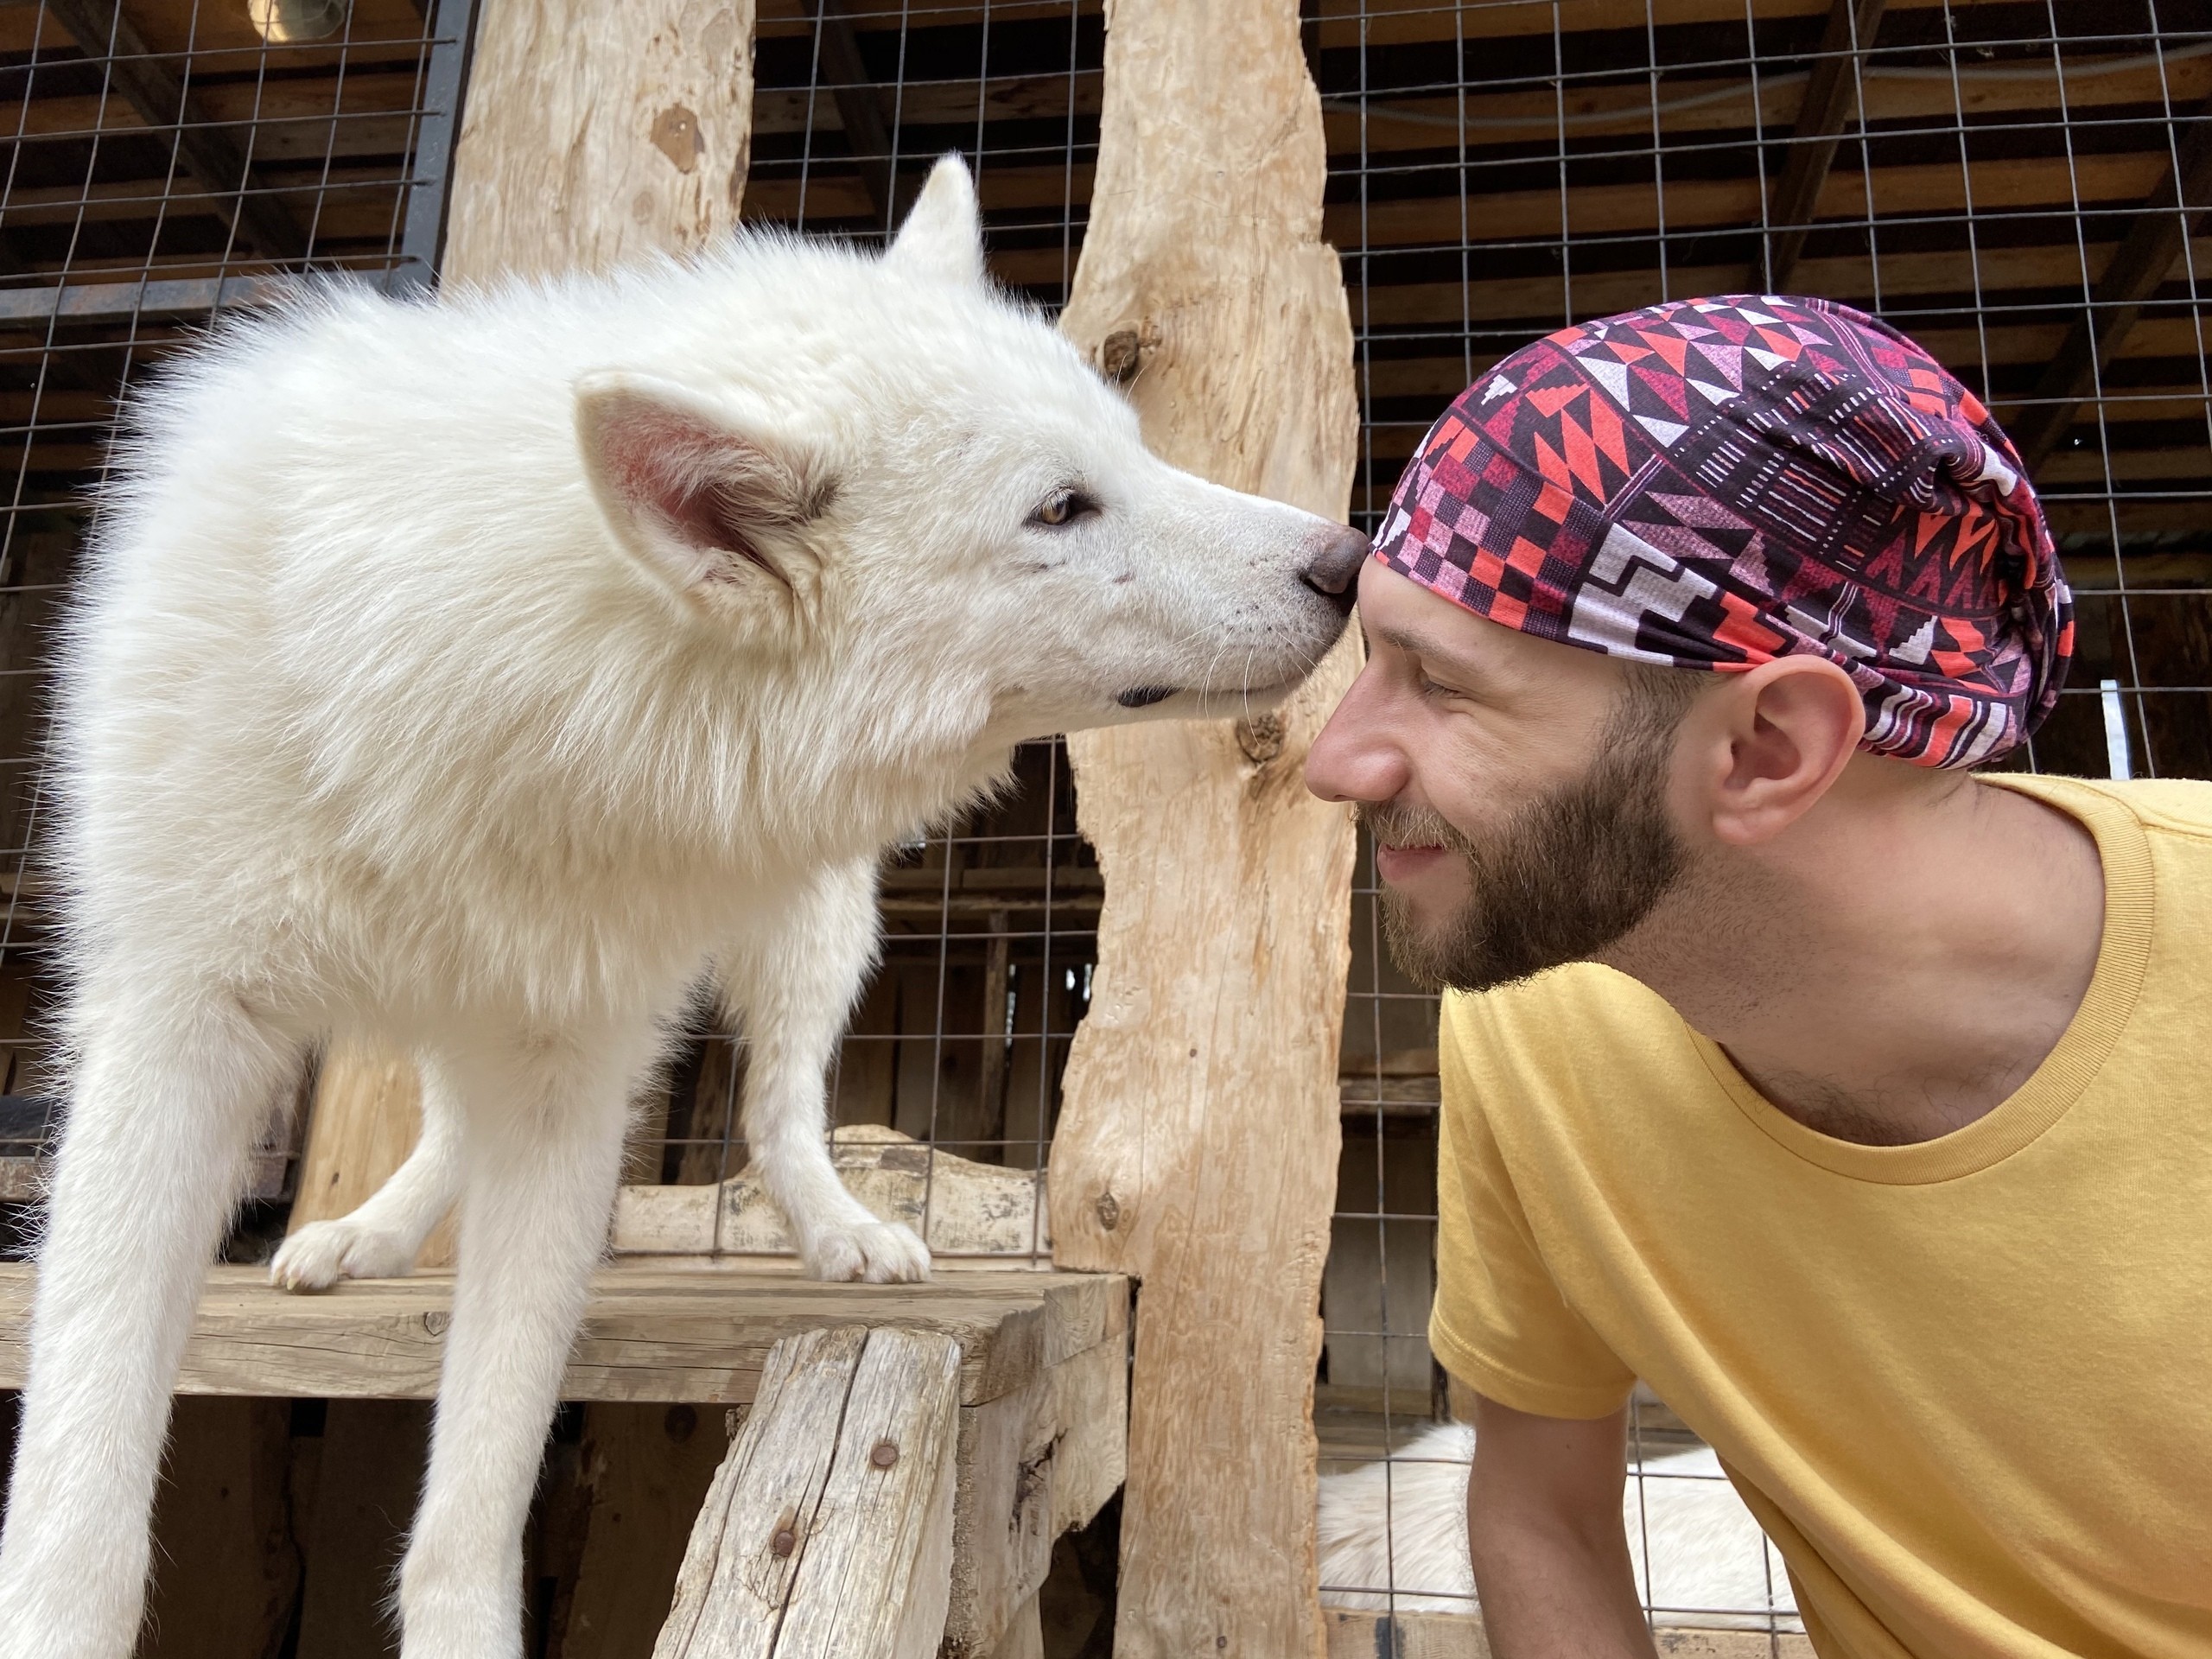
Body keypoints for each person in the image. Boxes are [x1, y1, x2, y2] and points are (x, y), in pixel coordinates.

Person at [1303, 295, 2211, 1659]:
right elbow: (1541, 1512)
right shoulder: (1554, 1005)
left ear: (1768, 748)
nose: (1336, 760)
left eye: (1442, 685)